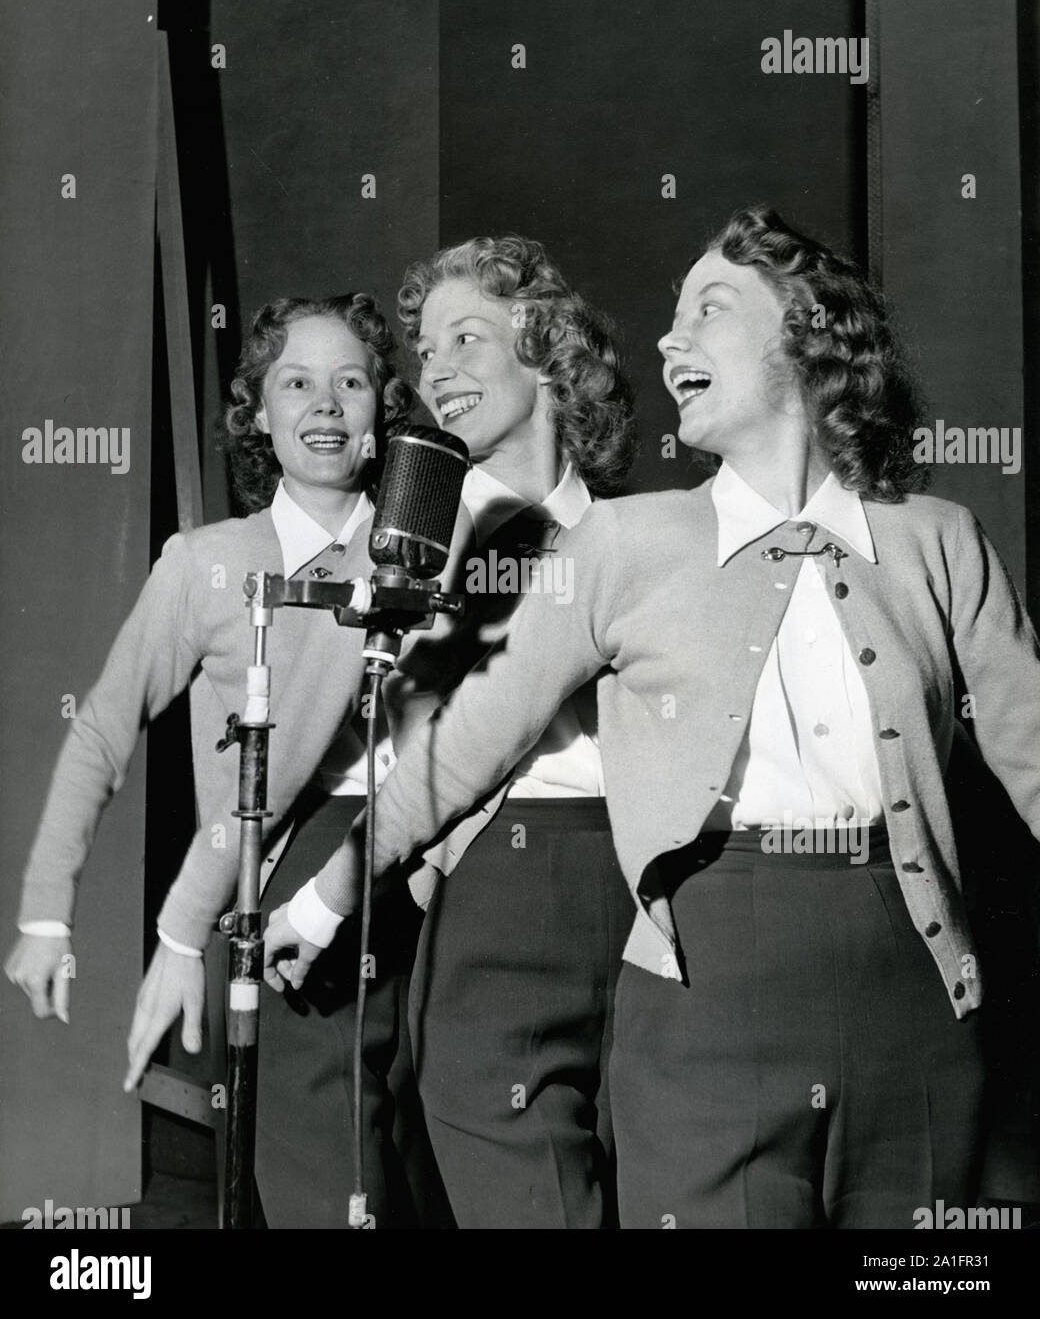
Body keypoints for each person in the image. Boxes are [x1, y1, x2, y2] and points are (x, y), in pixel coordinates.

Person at [266, 207, 1040, 1228]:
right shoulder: (625, 544)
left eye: (707, 310)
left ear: (806, 329)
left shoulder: (939, 540)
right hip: (706, 1005)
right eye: (669, 322)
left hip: (920, 1003)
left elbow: (1031, 756)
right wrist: (325, 897)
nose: (672, 340)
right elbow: (459, 749)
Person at [5, 292, 446, 1229]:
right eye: (297, 384)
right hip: (278, 882)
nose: (325, 406)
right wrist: (48, 912)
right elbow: (102, 727)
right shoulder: (206, 564)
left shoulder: (432, 556)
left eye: (351, 383)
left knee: (412, 1177)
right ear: (259, 415)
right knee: (322, 1185)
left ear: (380, 417)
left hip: (432, 883)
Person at [270, 235, 638, 1228]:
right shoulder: (422, 545)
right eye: (425, 350)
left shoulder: (637, 541)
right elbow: (434, 747)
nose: (435, 370)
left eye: (465, 338)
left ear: (543, 347)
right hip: (476, 885)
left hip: (634, 883)